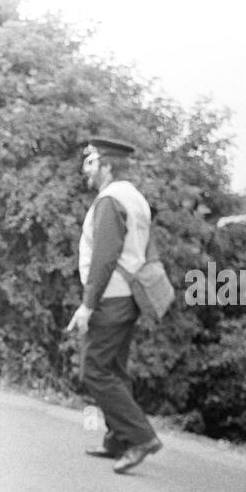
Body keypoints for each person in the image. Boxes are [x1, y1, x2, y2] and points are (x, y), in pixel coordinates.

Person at [67, 136, 163, 474]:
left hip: (111, 297)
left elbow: (104, 259)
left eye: (92, 162)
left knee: (94, 370)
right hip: (129, 296)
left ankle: (140, 437)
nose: (86, 168)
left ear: (107, 166)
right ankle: (117, 439)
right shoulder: (134, 197)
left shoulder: (109, 200)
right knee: (115, 370)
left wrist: (87, 305)